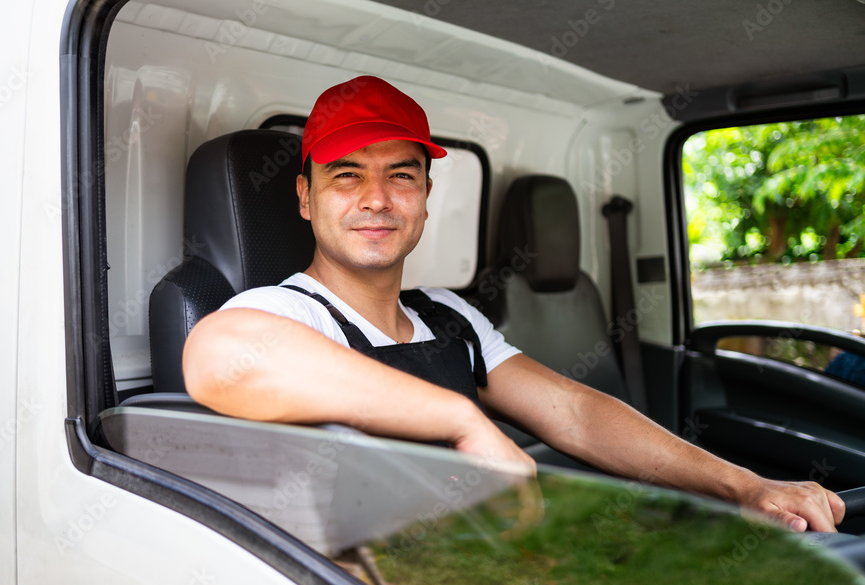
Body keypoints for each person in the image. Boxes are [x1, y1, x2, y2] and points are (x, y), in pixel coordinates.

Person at [182, 75, 844, 533]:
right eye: (346, 175)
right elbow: (218, 355)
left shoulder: (447, 313)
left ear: (425, 195)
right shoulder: (288, 310)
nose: (376, 199)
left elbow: (577, 412)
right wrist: (459, 419)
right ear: (304, 197)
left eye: (400, 175)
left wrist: (746, 486)